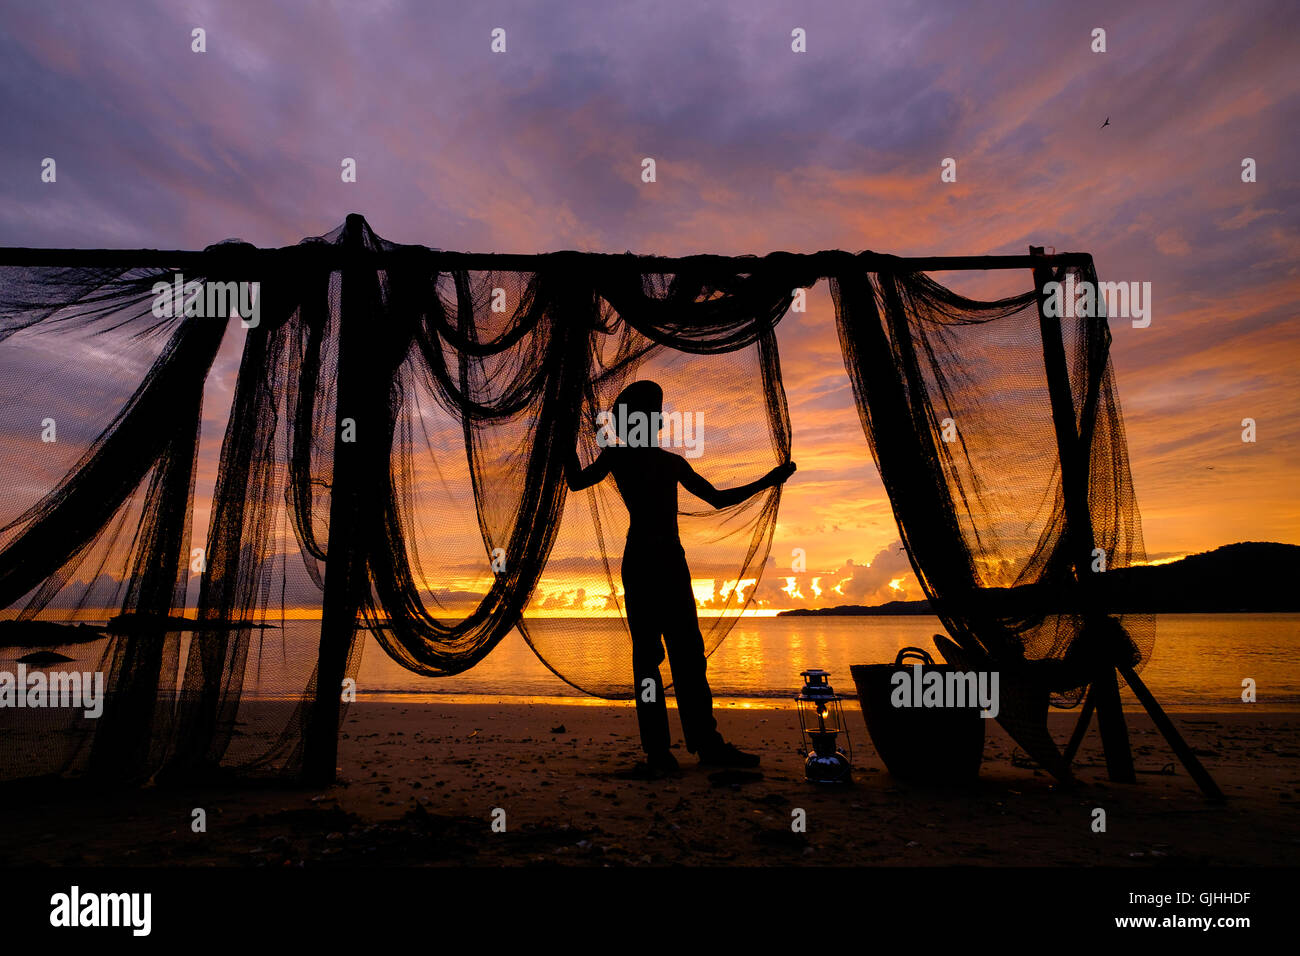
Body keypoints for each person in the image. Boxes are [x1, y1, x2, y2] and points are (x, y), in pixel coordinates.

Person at [566, 380, 796, 775]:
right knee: (676, 658)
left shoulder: (627, 459)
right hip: (661, 562)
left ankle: (674, 751)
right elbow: (719, 499)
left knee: (667, 658)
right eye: (651, 415)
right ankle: (687, 748)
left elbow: (574, 479)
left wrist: (769, 479)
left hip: (650, 561)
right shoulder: (654, 462)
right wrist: (768, 480)